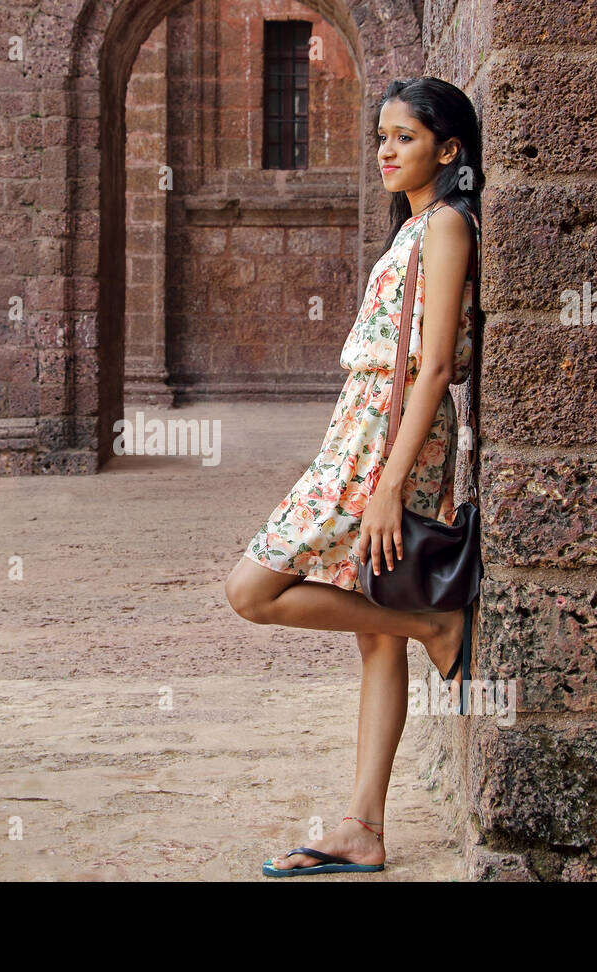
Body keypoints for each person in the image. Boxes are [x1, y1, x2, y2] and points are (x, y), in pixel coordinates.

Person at [223, 76, 483, 876]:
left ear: (448, 149)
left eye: (404, 137)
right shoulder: (409, 232)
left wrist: (390, 483)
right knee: (374, 631)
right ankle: (361, 830)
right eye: (381, 137)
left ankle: (440, 627)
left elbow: (436, 365)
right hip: (362, 430)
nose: (386, 151)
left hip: (381, 447)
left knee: (250, 589)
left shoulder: (444, 227)